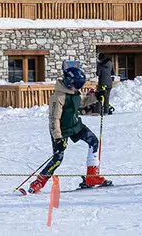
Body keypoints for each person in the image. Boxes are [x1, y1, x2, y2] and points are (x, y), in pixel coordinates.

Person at [28, 66, 109, 194]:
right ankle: (38, 182)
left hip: (76, 126)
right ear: (69, 82)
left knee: (94, 141)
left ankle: (91, 177)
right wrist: (58, 138)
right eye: (77, 85)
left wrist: (96, 96)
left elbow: (81, 102)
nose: (79, 88)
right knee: (58, 159)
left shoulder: (75, 93)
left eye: (80, 85)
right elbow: (54, 120)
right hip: (61, 130)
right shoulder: (58, 97)